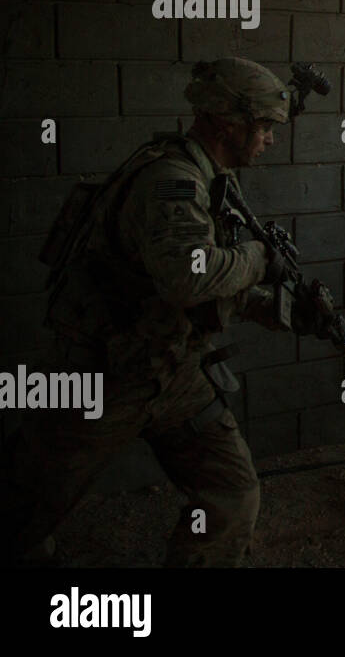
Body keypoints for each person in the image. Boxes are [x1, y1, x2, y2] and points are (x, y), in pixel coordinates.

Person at [1, 58, 296, 566]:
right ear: (228, 121)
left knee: (234, 495)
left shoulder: (215, 180)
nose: (269, 139)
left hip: (171, 371)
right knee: (24, 505)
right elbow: (189, 276)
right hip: (106, 375)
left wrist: (278, 309)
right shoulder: (171, 180)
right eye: (265, 126)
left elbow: (201, 287)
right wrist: (258, 259)